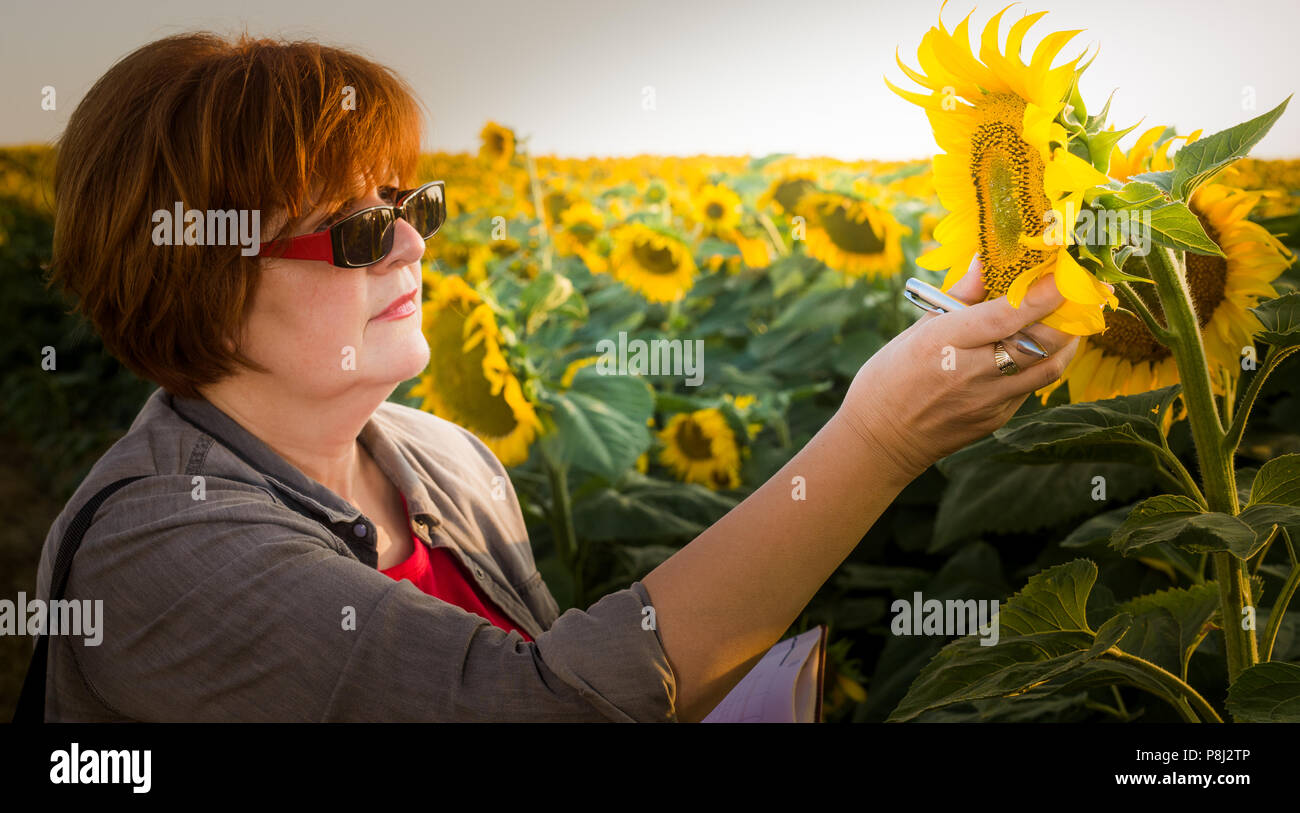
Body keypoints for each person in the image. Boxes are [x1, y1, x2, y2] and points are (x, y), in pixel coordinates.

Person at [32, 31, 1083, 722]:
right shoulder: (156, 555)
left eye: (414, 206)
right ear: (189, 271)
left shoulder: (447, 464)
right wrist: (881, 439)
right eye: (355, 234)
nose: (409, 251)